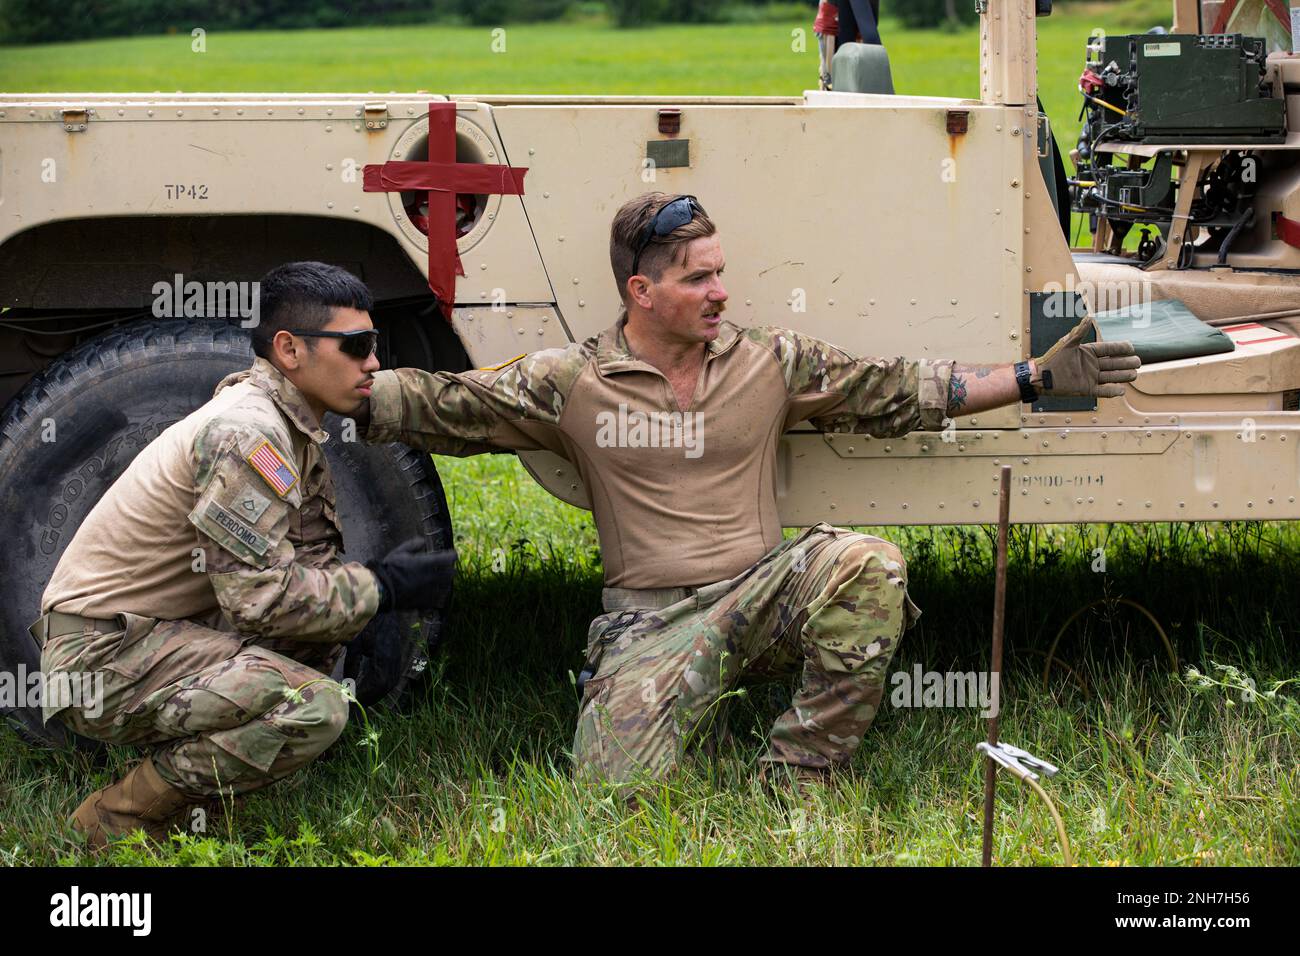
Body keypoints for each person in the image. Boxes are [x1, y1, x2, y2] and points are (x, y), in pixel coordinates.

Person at [358, 193, 1139, 792]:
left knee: (868, 564)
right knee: (613, 797)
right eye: (698, 278)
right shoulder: (571, 381)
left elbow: (905, 389)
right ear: (642, 290)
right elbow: (442, 403)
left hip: (762, 596)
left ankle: (801, 772)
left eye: (720, 272)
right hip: (649, 623)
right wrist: (320, 387)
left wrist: (1035, 377)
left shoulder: (772, 360)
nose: (721, 291)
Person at [33, 261, 455, 849]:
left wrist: (361, 590)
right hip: (98, 659)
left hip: (141, 634)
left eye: (374, 345)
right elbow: (260, 602)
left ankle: (199, 779)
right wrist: (380, 586)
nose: (373, 364)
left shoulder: (283, 422)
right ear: (289, 349)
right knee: (315, 709)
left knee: (314, 636)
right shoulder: (247, 432)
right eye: (356, 346)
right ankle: (120, 816)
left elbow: (303, 571)